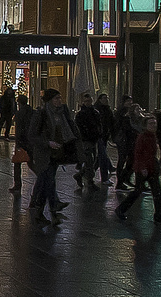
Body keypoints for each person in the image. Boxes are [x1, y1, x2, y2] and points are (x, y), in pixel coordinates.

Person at [28, 88, 77, 225]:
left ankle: (40, 212)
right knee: (49, 181)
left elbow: (68, 130)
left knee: (46, 183)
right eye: (56, 99)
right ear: (49, 101)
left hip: (57, 153)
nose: (59, 101)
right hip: (44, 154)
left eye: (60, 98)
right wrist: (47, 143)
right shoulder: (41, 114)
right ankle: (54, 208)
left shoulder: (61, 114)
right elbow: (32, 135)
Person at [115, 115, 161, 223]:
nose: (153, 126)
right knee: (138, 191)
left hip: (151, 167)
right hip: (143, 168)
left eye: (154, 123)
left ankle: (159, 214)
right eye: (151, 124)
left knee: (157, 191)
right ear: (145, 125)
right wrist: (142, 168)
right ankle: (121, 209)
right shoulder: (142, 137)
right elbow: (138, 154)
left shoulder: (152, 136)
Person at [74, 94, 101, 193]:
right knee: (89, 160)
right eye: (86, 101)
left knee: (92, 160)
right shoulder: (81, 115)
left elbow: (98, 124)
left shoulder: (94, 112)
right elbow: (79, 129)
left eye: (90, 101)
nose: (88, 103)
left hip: (93, 139)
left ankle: (80, 175)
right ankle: (89, 181)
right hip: (86, 140)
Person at [113, 95, 138, 190]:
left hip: (130, 139)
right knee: (123, 160)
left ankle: (124, 179)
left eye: (130, 101)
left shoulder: (130, 112)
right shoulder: (122, 113)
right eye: (128, 101)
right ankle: (120, 181)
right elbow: (121, 126)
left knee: (130, 160)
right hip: (124, 140)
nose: (129, 103)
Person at [11, 92, 33, 194]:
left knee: (17, 163)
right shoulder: (32, 112)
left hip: (22, 141)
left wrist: (18, 142)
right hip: (30, 140)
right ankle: (42, 177)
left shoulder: (19, 114)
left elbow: (19, 130)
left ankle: (17, 185)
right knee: (32, 162)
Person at [93, 94, 115, 184]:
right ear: (100, 99)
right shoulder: (97, 109)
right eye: (104, 98)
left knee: (101, 156)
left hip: (105, 135)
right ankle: (104, 178)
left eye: (107, 98)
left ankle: (84, 173)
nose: (106, 99)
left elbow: (111, 122)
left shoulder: (107, 109)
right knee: (103, 156)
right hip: (100, 135)